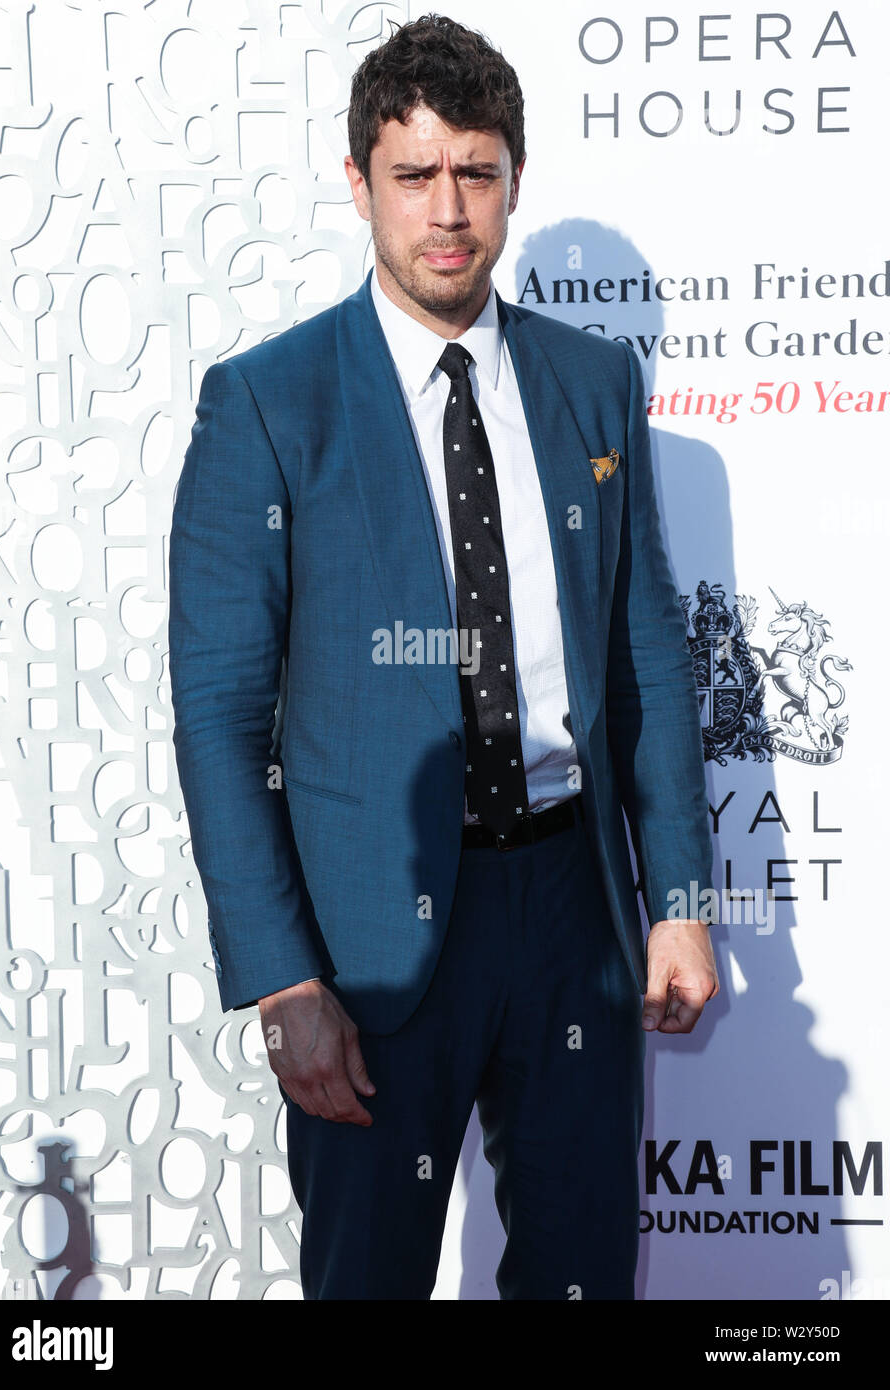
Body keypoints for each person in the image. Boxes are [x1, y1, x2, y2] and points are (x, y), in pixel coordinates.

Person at [168, 13, 719, 1301]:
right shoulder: (268, 401)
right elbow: (217, 713)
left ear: (516, 178)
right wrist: (284, 977)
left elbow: (644, 649)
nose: (449, 209)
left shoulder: (591, 381)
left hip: (573, 907)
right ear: (357, 183)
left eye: (477, 170)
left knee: (584, 1275)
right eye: (415, 175)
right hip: (368, 943)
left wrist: (680, 897)